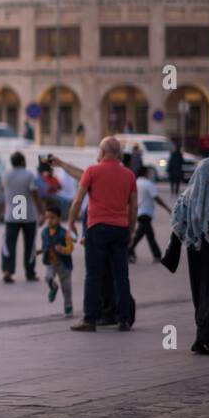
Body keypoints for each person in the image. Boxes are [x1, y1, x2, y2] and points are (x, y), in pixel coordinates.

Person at [67, 137, 137, 333]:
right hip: (120, 229)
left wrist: (71, 223)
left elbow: (78, 200)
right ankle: (123, 320)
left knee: (93, 275)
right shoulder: (129, 175)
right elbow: (134, 207)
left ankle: (90, 320)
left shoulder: (92, 171)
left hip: (97, 228)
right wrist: (130, 229)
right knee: (121, 276)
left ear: (103, 151)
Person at [161, 158, 209, 354]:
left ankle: (206, 334)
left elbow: (177, 226)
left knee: (198, 290)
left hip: (194, 249)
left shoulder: (185, 198)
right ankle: (204, 337)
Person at [0, 151, 43, 283]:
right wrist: (41, 210)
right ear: (23, 162)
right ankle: (30, 272)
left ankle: (7, 270)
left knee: (9, 243)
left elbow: (4, 191)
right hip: (28, 214)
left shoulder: (5, 175)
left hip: (11, 214)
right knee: (29, 244)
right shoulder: (29, 175)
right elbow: (34, 192)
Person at [129, 166, 171, 263]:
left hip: (138, 212)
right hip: (146, 212)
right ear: (145, 173)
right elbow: (156, 198)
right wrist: (167, 208)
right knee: (140, 235)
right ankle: (129, 250)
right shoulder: (148, 184)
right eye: (148, 173)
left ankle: (157, 255)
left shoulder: (136, 182)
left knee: (149, 235)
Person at [39, 204, 75, 317]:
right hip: (50, 262)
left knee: (66, 287)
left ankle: (68, 307)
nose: (49, 220)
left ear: (59, 218)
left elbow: (71, 248)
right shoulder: (44, 232)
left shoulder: (65, 233)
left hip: (63, 264)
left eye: (52, 217)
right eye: (47, 218)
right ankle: (53, 287)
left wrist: (63, 249)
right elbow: (45, 245)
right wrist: (40, 251)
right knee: (48, 277)